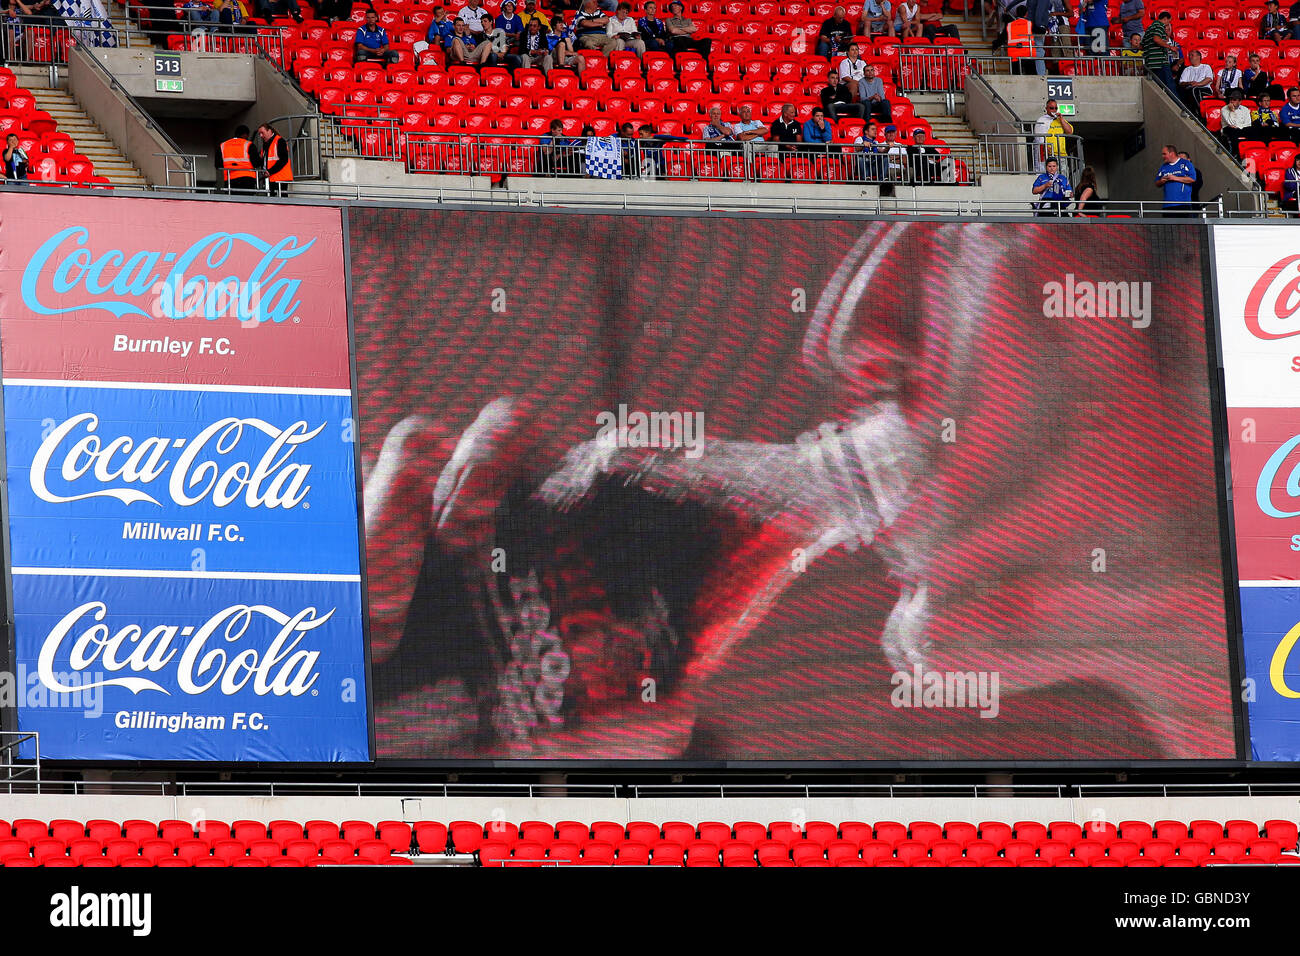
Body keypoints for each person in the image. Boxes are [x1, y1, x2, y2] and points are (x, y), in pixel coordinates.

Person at [1154, 143, 1195, 216]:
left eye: (1164, 154)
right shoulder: (1163, 167)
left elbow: (1192, 179)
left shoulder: (1185, 163)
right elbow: (1157, 183)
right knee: (1169, 227)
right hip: (1167, 205)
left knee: (1184, 227)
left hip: (1183, 204)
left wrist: (1175, 178)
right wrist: (1162, 181)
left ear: (1172, 154)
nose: (1162, 156)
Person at [1141, 11, 1176, 96]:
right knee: (1170, 86)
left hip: (1150, 62)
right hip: (1160, 62)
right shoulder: (1160, 26)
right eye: (1169, 21)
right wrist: (1170, 47)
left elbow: (1142, 44)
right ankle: (1177, 107)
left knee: (1158, 87)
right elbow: (1156, 39)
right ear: (1165, 19)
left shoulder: (1149, 28)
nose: (1168, 24)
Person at [1033, 98, 1073, 171]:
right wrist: (1045, 146)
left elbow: (1069, 131)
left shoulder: (1060, 120)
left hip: (1061, 155)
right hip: (1049, 155)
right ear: (1046, 108)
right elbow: (1038, 138)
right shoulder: (1041, 120)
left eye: (1056, 108)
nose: (1054, 110)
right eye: (1051, 108)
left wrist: (1061, 120)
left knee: (1062, 178)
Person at [219, 124, 257, 192]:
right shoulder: (249, 144)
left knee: (232, 201)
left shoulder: (223, 145)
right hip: (247, 179)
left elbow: (218, 164)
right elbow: (256, 163)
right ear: (245, 134)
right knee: (248, 201)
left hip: (230, 180)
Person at [256, 122, 292, 195]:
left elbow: (283, 159)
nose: (261, 136)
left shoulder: (279, 141)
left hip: (279, 178)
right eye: (259, 134)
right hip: (271, 178)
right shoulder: (266, 144)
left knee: (280, 202)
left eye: (262, 133)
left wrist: (270, 171)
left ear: (269, 131)